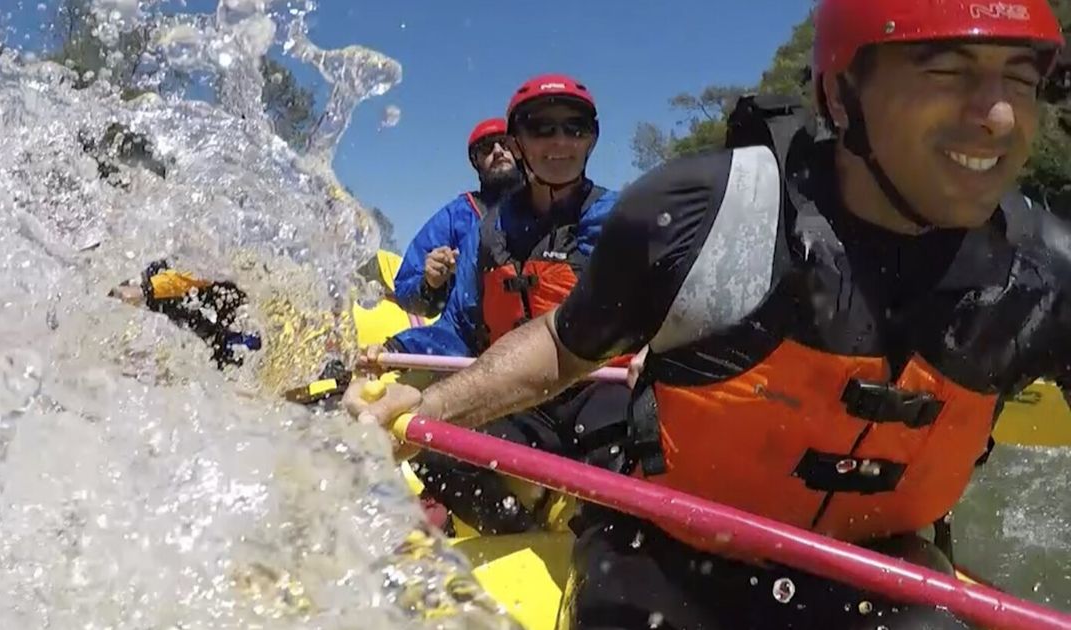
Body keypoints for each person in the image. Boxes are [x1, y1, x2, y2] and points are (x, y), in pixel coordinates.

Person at [348, 1, 1067, 627]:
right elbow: (565, 347)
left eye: (1022, 80)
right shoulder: (694, 216)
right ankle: (533, 506)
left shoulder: (1044, 275)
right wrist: (429, 405)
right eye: (947, 72)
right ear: (841, 94)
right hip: (669, 554)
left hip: (882, 573)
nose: (999, 117)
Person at [387, 74, 632, 536]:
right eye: (541, 128)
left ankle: (599, 537)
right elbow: (461, 325)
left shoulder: (622, 220)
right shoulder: (489, 231)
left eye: (574, 127)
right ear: (519, 142)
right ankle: (521, 537)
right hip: (521, 398)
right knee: (434, 451)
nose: (559, 141)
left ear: (592, 138)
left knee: (630, 451)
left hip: (602, 390)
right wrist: (400, 347)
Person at [392, 117, 522, 319]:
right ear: (476, 162)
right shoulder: (455, 217)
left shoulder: (551, 202)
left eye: (505, 144)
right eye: (487, 148)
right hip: (474, 341)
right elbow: (403, 289)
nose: (497, 151)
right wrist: (430, 285)